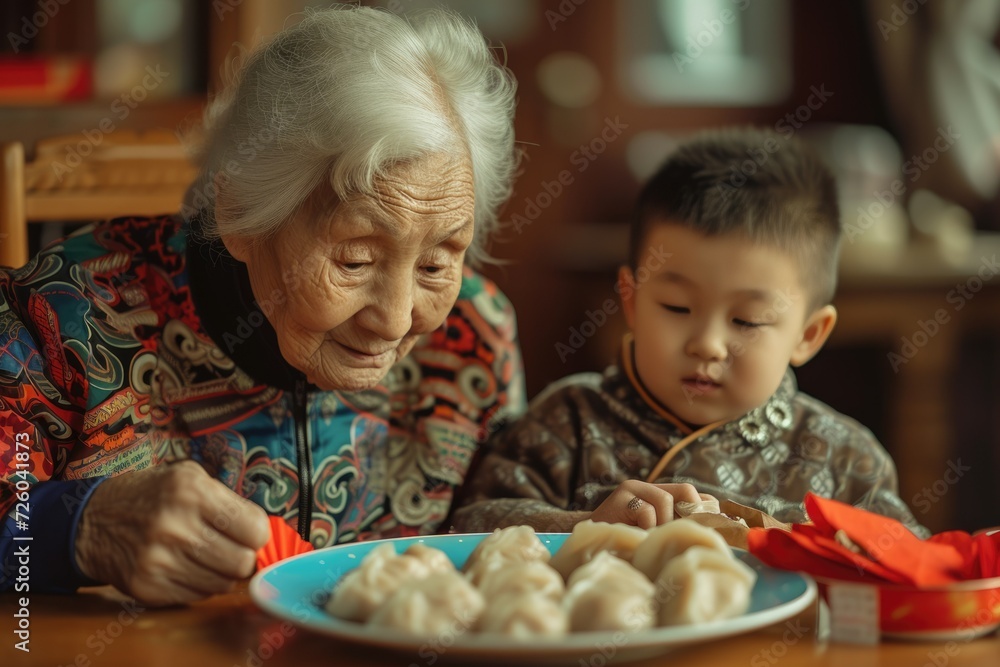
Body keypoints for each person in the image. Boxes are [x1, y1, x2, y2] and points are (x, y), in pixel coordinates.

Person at [0, 6, 523, 606]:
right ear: (240, 212)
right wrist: (76, 527)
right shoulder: (59, 320)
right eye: (355, 260)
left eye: (435, 264)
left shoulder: (477, 330)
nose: (398, 318)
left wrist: (572, 521)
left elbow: (499, 509)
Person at [450, 128, 928, 538]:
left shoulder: (844, 456)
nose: (707, 343)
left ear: (808, 334)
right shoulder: (568, 422)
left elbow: (905, 562)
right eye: (677, 307)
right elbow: (469, 526)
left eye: (746, 321)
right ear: (631, 300)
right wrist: (584, 525)